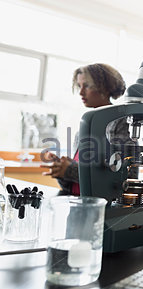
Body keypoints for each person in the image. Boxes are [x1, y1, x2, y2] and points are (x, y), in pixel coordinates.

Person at [42, 63, 130, 195]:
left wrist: (70, 170)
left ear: (105, 88)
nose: (81, 92)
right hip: (78, 206)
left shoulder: (121, 124)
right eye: (79, 86)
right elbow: (74, 185)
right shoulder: (84, 129)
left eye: (87, 86)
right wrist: (61, 171)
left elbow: (121, 180)